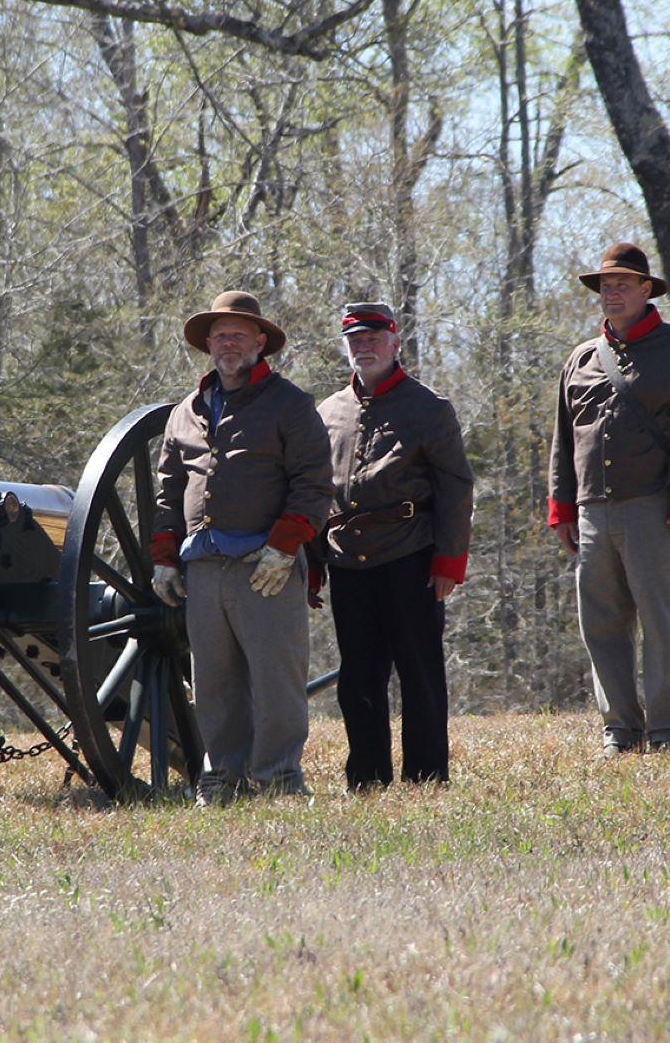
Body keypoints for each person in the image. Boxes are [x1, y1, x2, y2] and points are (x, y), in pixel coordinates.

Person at [151, 290, 333, 804]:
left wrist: (283, 548)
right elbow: (168, 488)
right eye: (220, 334)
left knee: (277, 680)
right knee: (212, 683)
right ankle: (222, 778)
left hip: (265, 563)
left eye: (239, 333)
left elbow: (314, 482)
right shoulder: (185, 412)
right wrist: (164, 558)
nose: (229, 342)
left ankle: (278, 779)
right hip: (204, 565)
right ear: (208, 344)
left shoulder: (290, 404)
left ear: (260, 342)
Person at [548, 243, 670, 758]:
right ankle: (620, 731)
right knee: (601, 625)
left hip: (656, 509)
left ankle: (669, 732)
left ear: (647, 291)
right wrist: (561, 507)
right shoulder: (580, 358)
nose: (612, 292)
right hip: (591, 511)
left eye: (623, 284)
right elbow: (563, 438)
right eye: (606, 285)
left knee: (663, 623)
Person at [315, 302, 473, 789]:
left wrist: (449, 560)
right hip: (346, 559)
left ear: (394, 342)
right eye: (355, 341)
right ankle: (366, 778)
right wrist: (313, 562)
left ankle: (426, 776)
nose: (365, 348)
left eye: (373, 339)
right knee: (358, 675)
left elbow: (455, 487)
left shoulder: (429, 407)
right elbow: (316, 492)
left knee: (419, 671)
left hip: (412, 554)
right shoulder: (328, 412)